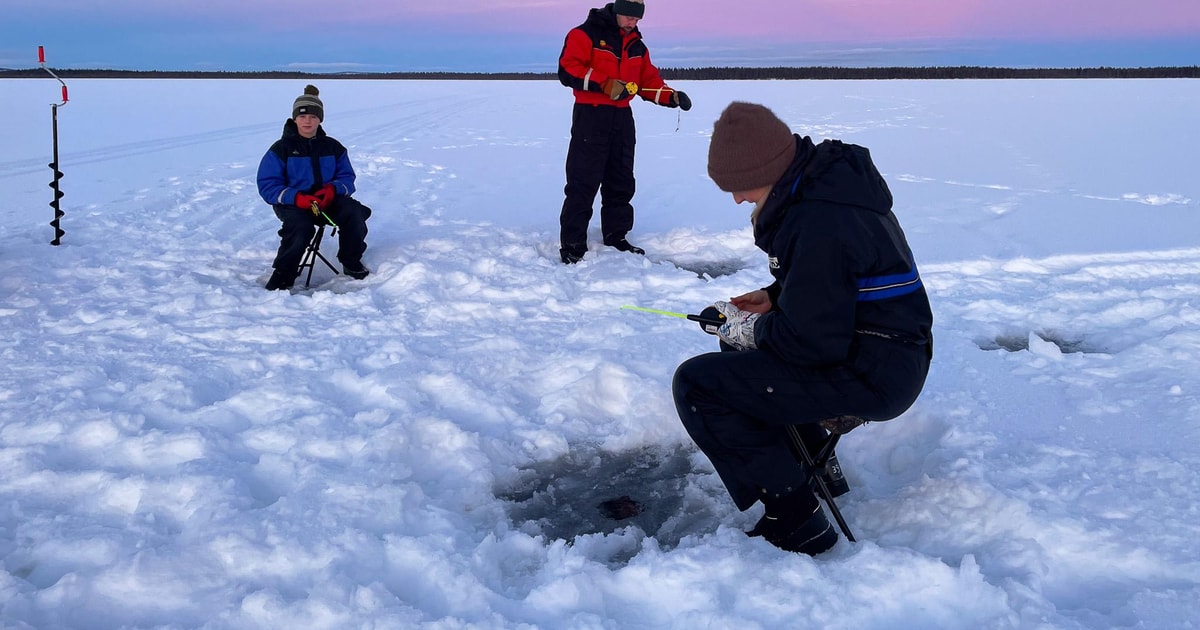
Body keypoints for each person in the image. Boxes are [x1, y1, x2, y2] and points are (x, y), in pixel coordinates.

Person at [672, 102, 934, 555]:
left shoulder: (819, 221)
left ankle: (797, 518)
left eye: (739, 186)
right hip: (883, 350)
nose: (737, 199)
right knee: (741, 352)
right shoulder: (828, 190)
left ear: (769, 168)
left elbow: (810, 342)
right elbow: (845, 278)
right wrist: (777, 296)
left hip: (875, 372)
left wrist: (748, 330)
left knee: (698, 387)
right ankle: (817, 465)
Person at [556, 0, 692, 264]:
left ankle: (616, 236)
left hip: (622, 118)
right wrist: (605, 84)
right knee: (583, 181)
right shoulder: (584, 34)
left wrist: (670, 97)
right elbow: (568, 69)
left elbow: (648, 81)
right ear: (617, 11)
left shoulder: (637, 46)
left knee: (621, 179)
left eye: (637, 19)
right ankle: (573, 245)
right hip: (591, 115)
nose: (633, 23)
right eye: (629, 18)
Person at [257, 85, 372, 290]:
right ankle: (285, 272)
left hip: (326, 201)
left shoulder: (333, 147)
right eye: (302, 116)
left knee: (354, 212)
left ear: (320, 119)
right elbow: (268, 185)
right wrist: (297, 197)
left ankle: (350, 260)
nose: (307, 121)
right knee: (300, 228)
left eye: (312, 116)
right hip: (294, 204)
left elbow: (347, 178)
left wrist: (332, 190)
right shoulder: (280, 149)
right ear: (294, 119)